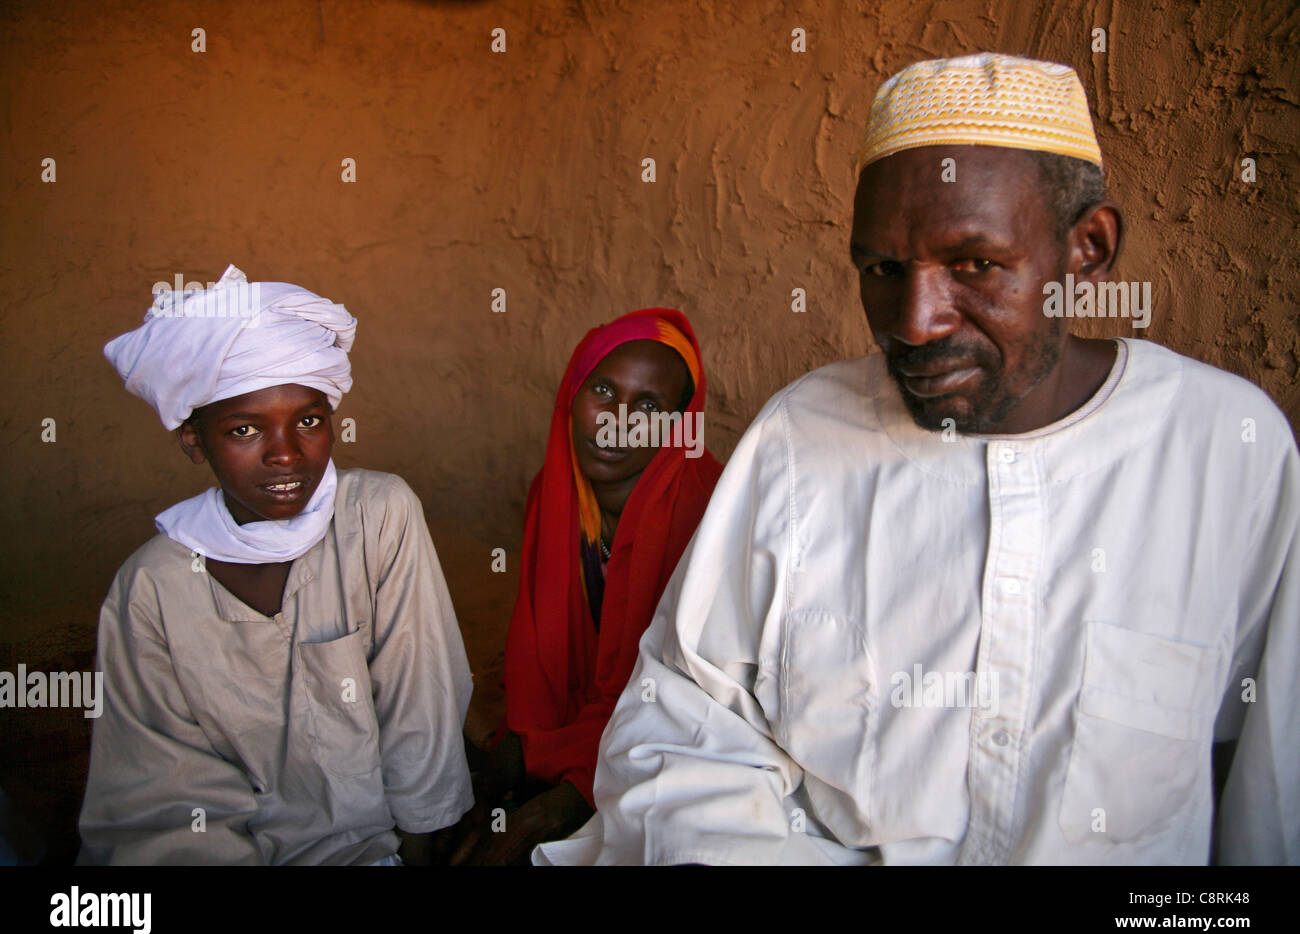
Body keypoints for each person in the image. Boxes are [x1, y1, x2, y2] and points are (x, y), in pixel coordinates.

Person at [535, 54, 1299, 865]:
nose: (917, 321)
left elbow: (1269, 793)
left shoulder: (1226, 454)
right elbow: (677, 735)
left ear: (1088, 249)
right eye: (884, 271)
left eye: (974, 264)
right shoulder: (798, 440)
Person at [80, 265, 473, 865]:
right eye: (245, 429)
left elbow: (422, 705)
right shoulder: (153, 587)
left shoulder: (376, 516)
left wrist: (415, 851)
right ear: (195, 442)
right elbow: (163, 798)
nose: (286, 454)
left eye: (309, 421)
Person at [451, 308, 723, 865]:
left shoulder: (710, 516)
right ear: (572, 393)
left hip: (662, 731)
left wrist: (566, 795)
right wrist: (524, 747)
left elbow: (683, 699)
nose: (615, 422)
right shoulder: (553, 496)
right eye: (602, 389)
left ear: (681, 424)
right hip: (584, 721)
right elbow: (538, 665)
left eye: (649, 405)